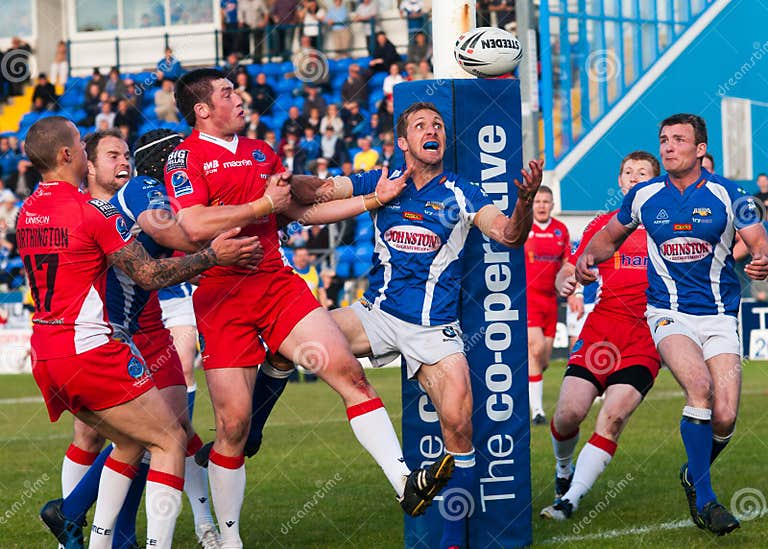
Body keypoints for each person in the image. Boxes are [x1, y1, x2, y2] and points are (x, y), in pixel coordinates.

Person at [166, 69, 453, 548]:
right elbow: (193, 223)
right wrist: (261, 205)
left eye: (236, 90)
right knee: (234, 426)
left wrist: (371, 199)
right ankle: (228, 539)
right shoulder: (185, 156)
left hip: (277, 286)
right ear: (201, 110)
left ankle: (404, 482)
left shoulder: (261, 152)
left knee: (347, 372)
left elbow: (298, 212)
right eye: (227, 93)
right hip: (222, 297)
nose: (238, 98)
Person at [278, 101, 544, 549]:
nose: (431, 129)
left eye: (437, 124)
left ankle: (451, 540)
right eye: (420, 125)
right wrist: (279, 183)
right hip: (375, 314)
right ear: (404, 142)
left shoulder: (462, 191)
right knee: (291, 336)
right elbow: (319, 190)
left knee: (459, 425)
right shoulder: (383, 181)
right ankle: (250, 430)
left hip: (432, 328)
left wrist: (525, 200)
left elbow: (509, 235)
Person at [21, 116, 260, 549]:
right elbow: (148, 274)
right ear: (69, 156)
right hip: (91, 346)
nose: (105, 156)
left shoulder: (27, 212)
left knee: (127, 441)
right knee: (168, 438)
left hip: (46, 350)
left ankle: (85, 531)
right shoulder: (92, 212)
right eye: (83, 143)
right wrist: (211, 255)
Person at [574, 113, 768, 535]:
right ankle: (706, 498)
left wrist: (762, 258)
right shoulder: (644, 196)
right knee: (699, 387)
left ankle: (692, 473)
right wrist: (588, 257)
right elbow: (608, 237)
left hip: (718, 315)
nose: (668, 147)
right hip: (667, 312)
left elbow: (758, 239)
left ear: (701, 149)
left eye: (679, 140)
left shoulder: (731, 193)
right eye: (663, 139)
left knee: (726, 416)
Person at [540, 151, 662, 521]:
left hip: (647, 336)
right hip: (603, 331)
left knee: (612, 418)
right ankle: (563, 471)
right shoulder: (604, 224)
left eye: (643, 172)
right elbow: (571, 267)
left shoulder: (669, 225)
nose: (634, 177)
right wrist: (566, 280)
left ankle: (570, 500)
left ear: (656, 181)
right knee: (568, 415)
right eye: (628, 172)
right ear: (620, 181)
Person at [524, 186, 570, 425]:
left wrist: (572, 292)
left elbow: (566, 264)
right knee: (536, 348)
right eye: (538, 201)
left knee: (543, 360)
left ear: (553, 205)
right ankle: (538, 412)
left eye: (546, 201)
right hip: (528, 299)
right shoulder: (524, 228)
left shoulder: (560, 231)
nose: (541, 205)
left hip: (551, 302)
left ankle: (526, 386)